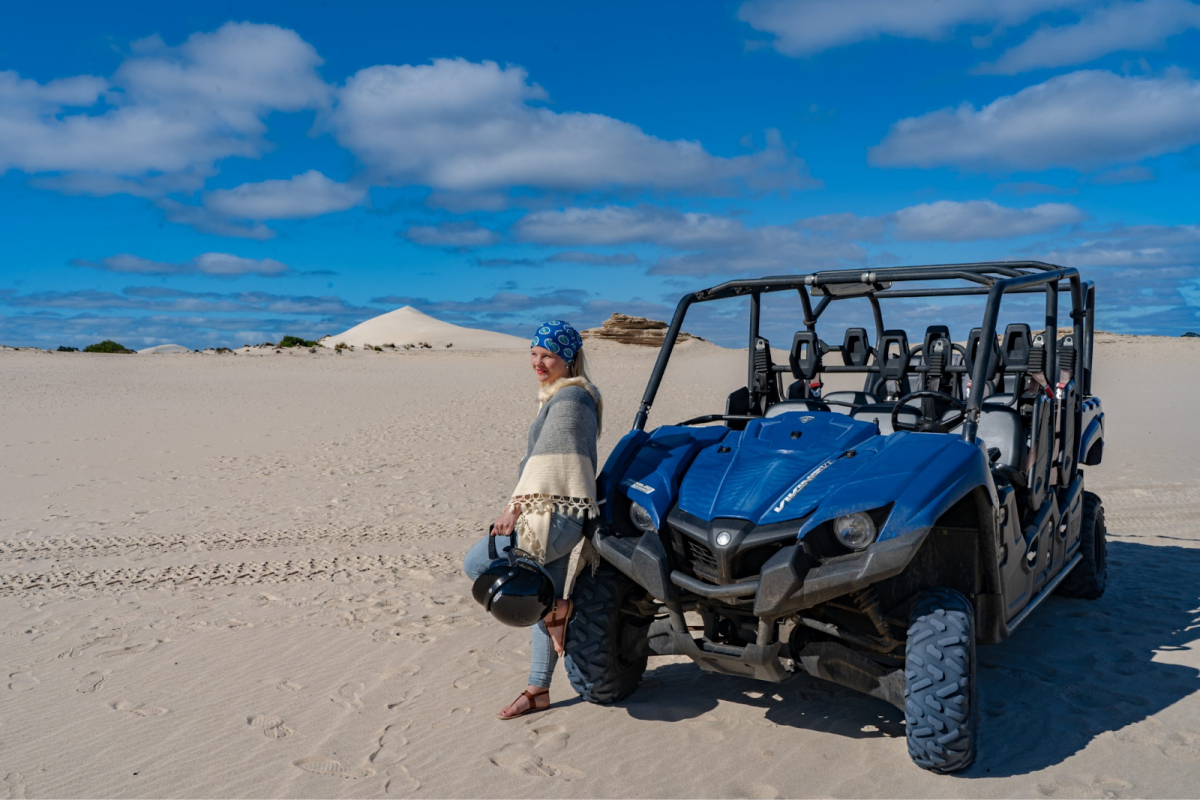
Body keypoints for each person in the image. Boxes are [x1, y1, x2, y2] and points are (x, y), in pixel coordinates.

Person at [462, 320, 603, 720]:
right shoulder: (559, 395)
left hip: (551, 520)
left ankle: (559, 607)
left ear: (568, 358)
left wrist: (514, 509)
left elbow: (549, 467)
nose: (539, 363)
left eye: (549, 356)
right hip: (558, 515)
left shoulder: (571, 400)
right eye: (534, 354)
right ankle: (537, 691)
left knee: (475, 564)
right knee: (538, 595)